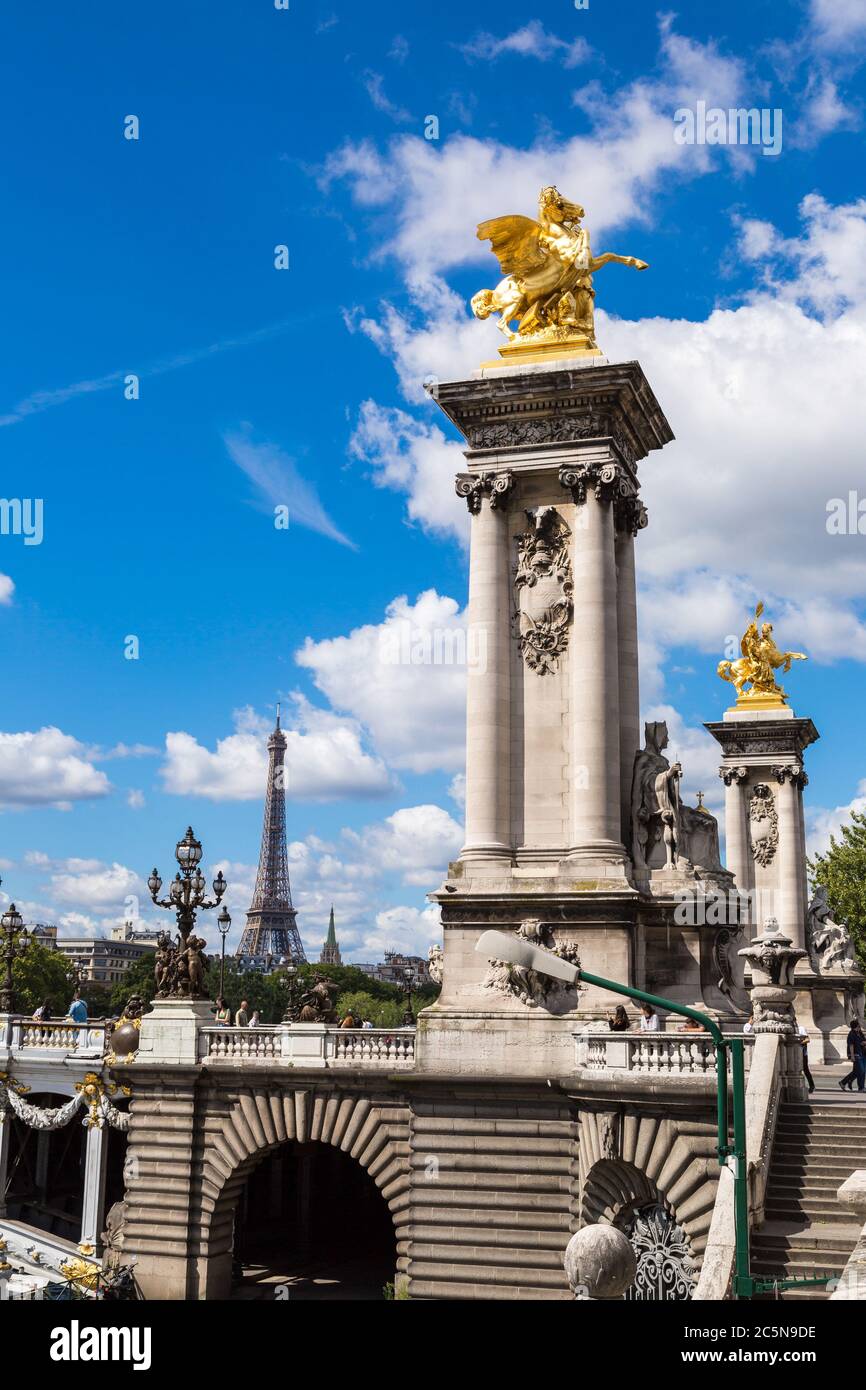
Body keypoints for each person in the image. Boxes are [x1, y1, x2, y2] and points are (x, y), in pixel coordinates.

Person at [840, 1018, 866, 1093]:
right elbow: (851, 1045)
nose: (859, 1028)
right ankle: (861, 1087)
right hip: (856, 1054)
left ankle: (843, 1082)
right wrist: (852, 1056)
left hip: (862, 1053)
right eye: (858, 1026)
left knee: (856, 1072)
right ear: (854, 1027)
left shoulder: (860, 1033)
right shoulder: (851, 1034)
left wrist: (864, 1043)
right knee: (861, 1071)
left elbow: (863, 1040)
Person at [797, 1024, 815, 1094]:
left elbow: (807, 1039)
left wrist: (798, 1043)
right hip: (796, 1052)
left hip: (803, 1053)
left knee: (805, 1069)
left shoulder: (801, 1028)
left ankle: (812, 1085)